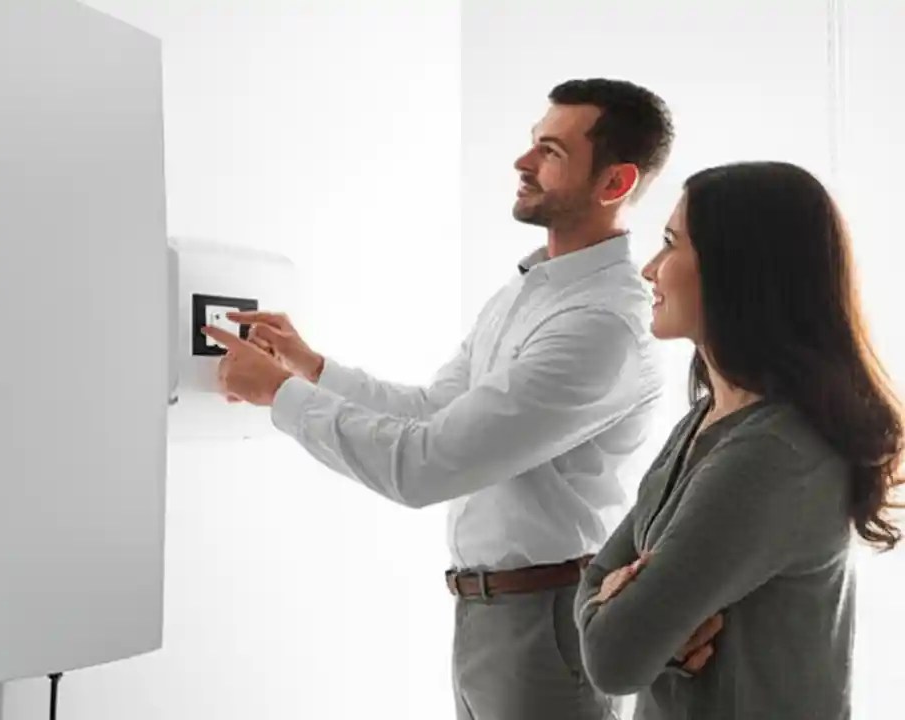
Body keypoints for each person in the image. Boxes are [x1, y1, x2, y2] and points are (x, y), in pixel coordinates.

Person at [203, 78, 675, 719]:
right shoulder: (529, 291)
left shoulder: (603, 325)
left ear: (614, 184)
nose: (523, 161)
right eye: (533, 142)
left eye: (552, 151)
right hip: (488, 616)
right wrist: (310, 368)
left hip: (546, 624)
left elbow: (427, 466)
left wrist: (280, 394)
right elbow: (433, 411)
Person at [573, 161, 904, 719]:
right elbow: (597, 583)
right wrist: (614, 611)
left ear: (736, 270)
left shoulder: (772, 456)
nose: (649, 270)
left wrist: (630, 621)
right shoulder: (707, 419)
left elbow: (613, 658)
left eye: (670, 243)